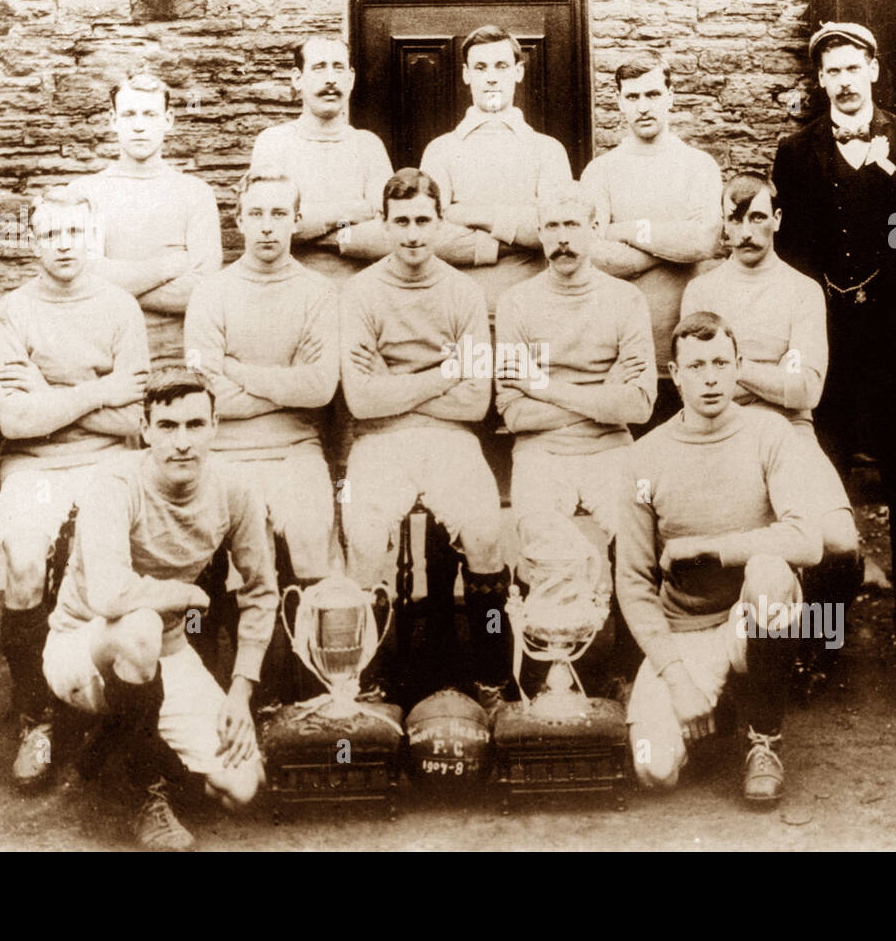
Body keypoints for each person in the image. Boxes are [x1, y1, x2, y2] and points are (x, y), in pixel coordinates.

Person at [772, 22, 896, 671]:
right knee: (827, 489)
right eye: (832, 72)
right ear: (820, 81)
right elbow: (790, 257)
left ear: (873, 71)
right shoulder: (796, 151)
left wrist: (887, 172)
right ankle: (826, 640)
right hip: (831, 342)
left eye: (854, 68)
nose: (844, 82)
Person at [43, 367, 277, 850]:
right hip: (83, 645)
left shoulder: (236, 490)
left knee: (241, 787)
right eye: (167, 427)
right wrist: (182, 594)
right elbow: (109, 597)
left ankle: (116, 735)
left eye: (195, 425)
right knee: (141, 626)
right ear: (145, 430)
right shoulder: (113, 482)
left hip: (163, 653)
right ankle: (143, 792)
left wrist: (240, 691)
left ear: (215, 427)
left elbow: (260, 591)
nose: (182, 442)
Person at [616, 312, 822, 801]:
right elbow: (634, 583)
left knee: (771, 572)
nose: (709, 377)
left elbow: (807, 541)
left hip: (750, 615)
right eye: (696, 366)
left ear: (737, 367)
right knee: (652, 768)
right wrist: (679, 680)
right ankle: (719, 702)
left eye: (720, 363)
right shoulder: (643, 458)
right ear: (674, 373)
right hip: (687, 627)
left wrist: (714, 550)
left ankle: (764, 741)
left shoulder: (770, 433)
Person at [0, 191, 149, 789]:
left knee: (112, 567)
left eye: (74, 231)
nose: (63, 244)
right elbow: (14, 421)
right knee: (24, 557)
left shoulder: (121, 307)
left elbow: (134, 419)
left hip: (109, 460)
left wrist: (49, 392)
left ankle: (111, 700)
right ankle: (36, 716)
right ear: (33, 240)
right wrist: (98, 390)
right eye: (51, 233)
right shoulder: (12, 311)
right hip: (34, 464)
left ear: (91, 236)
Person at [682, 174, 861, 693]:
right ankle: (734, 643)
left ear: (777, 220)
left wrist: (732, 368)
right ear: (724, 224)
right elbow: (698, 380)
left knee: (838, 541)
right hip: (724, 432)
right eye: (735, 219)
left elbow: (805, 389)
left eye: (758, 217)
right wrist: (765, 371)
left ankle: (814, 643)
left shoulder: (802, 292)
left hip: (789, 432)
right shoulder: (703, 289)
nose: (746, 231)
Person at [339, 168, 510, 706]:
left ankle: (490, 676)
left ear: (439, 224)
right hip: (379, 441)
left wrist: (393, 382)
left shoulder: (464, 292)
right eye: (401, 222)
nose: (413, 233)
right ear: (384, 227)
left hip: (451, 438)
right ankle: (368, 680)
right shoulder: (359, 292)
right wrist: (444, 375)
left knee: (484, 529)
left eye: (423, 221)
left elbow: (476, 401)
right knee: (365, 537)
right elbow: (360, 401)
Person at [495, 185, 656, 689]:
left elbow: (638, 404)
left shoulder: (625, 299)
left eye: (573, 226)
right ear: (540, 234)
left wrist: (544, 386)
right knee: (542, 534)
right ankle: (545, 674)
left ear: (594, 230)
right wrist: (597, 398)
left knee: (638, 535)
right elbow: (513, 412)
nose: (563, 239)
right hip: (541, 452)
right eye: (552, 227)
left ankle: (633, 672)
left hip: (612, 449)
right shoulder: (516, 302)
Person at [184, 165, 339, 614]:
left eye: (279, 213)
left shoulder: (319, 293)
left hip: (295, 449)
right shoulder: (211, 294)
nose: (267, 225)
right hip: (225, 453)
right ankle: (213, 666)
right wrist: (283, 384)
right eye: (256, 213)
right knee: (219, 552)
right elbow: (206, 396)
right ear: (239, 220)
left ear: (296, 219)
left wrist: (235, 369)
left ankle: (304, 667)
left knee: (311, 534)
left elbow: (319, 387)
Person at [581, 49, 722, 419]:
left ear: (671, 96)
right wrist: (672, 244)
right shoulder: (601, 171)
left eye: (653, 94)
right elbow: (593, 256)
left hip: (686, 353)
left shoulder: (698, 166)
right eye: (633, 96)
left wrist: (624, 229)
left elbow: (703, 241)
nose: (643, 106)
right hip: (619, 355)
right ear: (619, 102)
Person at [420, 24, 573, 318]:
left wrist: (467, 214)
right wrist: (517, 236)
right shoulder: (441, 150)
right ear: (466, 74)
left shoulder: (547, 150)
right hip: (458, 313)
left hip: (534, 313)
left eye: (501, 66)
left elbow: (555, 234)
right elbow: (430, 237)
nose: (491, 78)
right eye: (480, 67)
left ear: (518, 72)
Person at [72, 71, 222, 369]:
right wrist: (167, 267)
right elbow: (79, 279)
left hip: (177, 358)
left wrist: (113, 280)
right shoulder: (83, 193)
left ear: (168, 120)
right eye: (129, 114)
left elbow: (203, 290)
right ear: (113, 120)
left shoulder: (196, 194)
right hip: (104, 356)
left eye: (149, 114)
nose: (139, 126)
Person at [249, 36, 394, 285]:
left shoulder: (368, 145)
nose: (330, 79)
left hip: (358, 292)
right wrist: (351, 214)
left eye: (338, 67)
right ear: (297, 78)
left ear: (350, 79)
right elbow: (268, 228)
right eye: (319, 67)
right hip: (289, 290)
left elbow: (387, 236)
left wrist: (307, 224)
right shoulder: (273, 143)